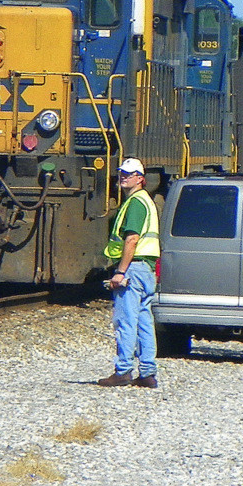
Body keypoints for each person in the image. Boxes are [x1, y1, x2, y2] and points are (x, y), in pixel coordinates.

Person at [97, 157, 160, 388]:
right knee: (144, 321)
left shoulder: (135, 203)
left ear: (140, 179)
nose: (123, 177)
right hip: (146, 269)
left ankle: (123, 370)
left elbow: (132, 239)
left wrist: (120, 272)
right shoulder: (147, 202)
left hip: (133, 269)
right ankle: (147, 373)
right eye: (122, 173)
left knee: (126, 320)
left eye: (129, 174)